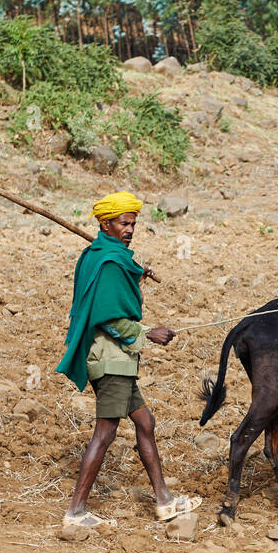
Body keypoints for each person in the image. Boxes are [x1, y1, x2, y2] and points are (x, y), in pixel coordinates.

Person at [56, 191, 200, 526]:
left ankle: (164, 501)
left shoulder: (102, 256)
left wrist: (133, 273)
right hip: (111, 360)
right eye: (124, 223)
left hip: (116, 359)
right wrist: (148, 332)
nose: (130, 229)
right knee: (105, 433)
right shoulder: (108, 262)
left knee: (145, 423)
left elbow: (112, 293)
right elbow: (107, 316)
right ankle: (75, 512)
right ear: (106, 223)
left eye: (133, 223)